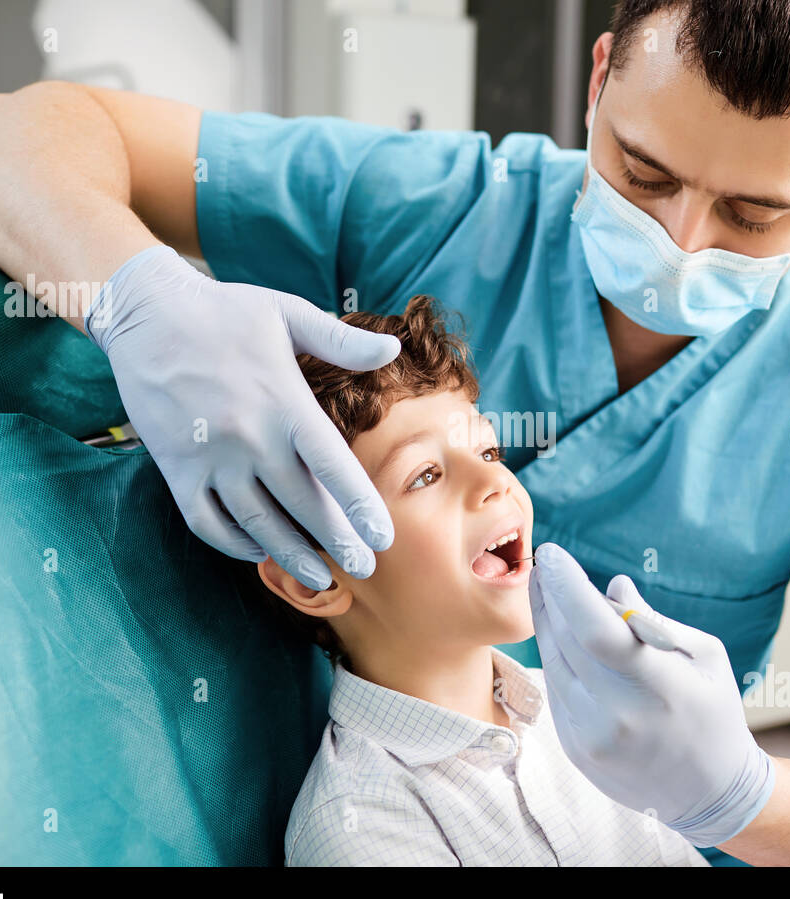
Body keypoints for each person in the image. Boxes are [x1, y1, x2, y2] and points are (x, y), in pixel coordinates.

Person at [0, 0, 790, 865]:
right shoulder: (439, 209)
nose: (680, 242)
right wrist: (141, 297)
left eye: (753, 215)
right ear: (599, 75)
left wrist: (735, 794)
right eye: (642, 171)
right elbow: (0, 136)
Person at [265, 293, 709, 866]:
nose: (494, 481)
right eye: (425, 475)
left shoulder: (582, 709)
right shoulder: (362, 828)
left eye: (489, 448)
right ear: (312, 579)